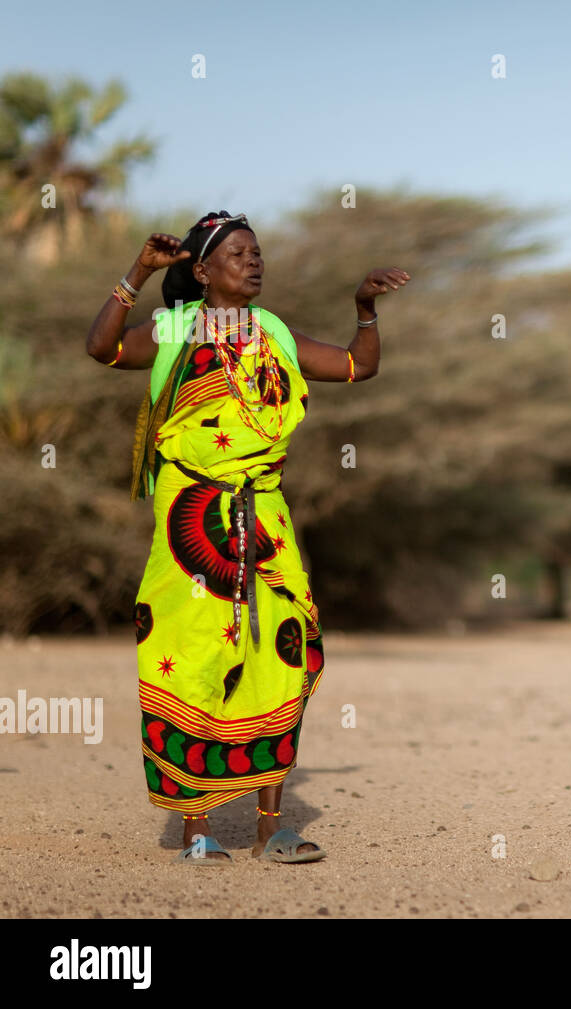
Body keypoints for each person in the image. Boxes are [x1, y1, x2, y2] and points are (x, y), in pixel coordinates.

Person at [86, 211, 408, 863]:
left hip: (264, 518)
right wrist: (139, 274)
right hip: (192, 521)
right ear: (202, 271)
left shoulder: (275, 333)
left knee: (276, 658)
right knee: (197, 654)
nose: (254, 262)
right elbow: (104, 349)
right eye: (238, 253)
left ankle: (271, 828)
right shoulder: (176, 327)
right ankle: (196, 829)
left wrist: (364, 308)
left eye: (257, 253)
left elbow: (355, 367)